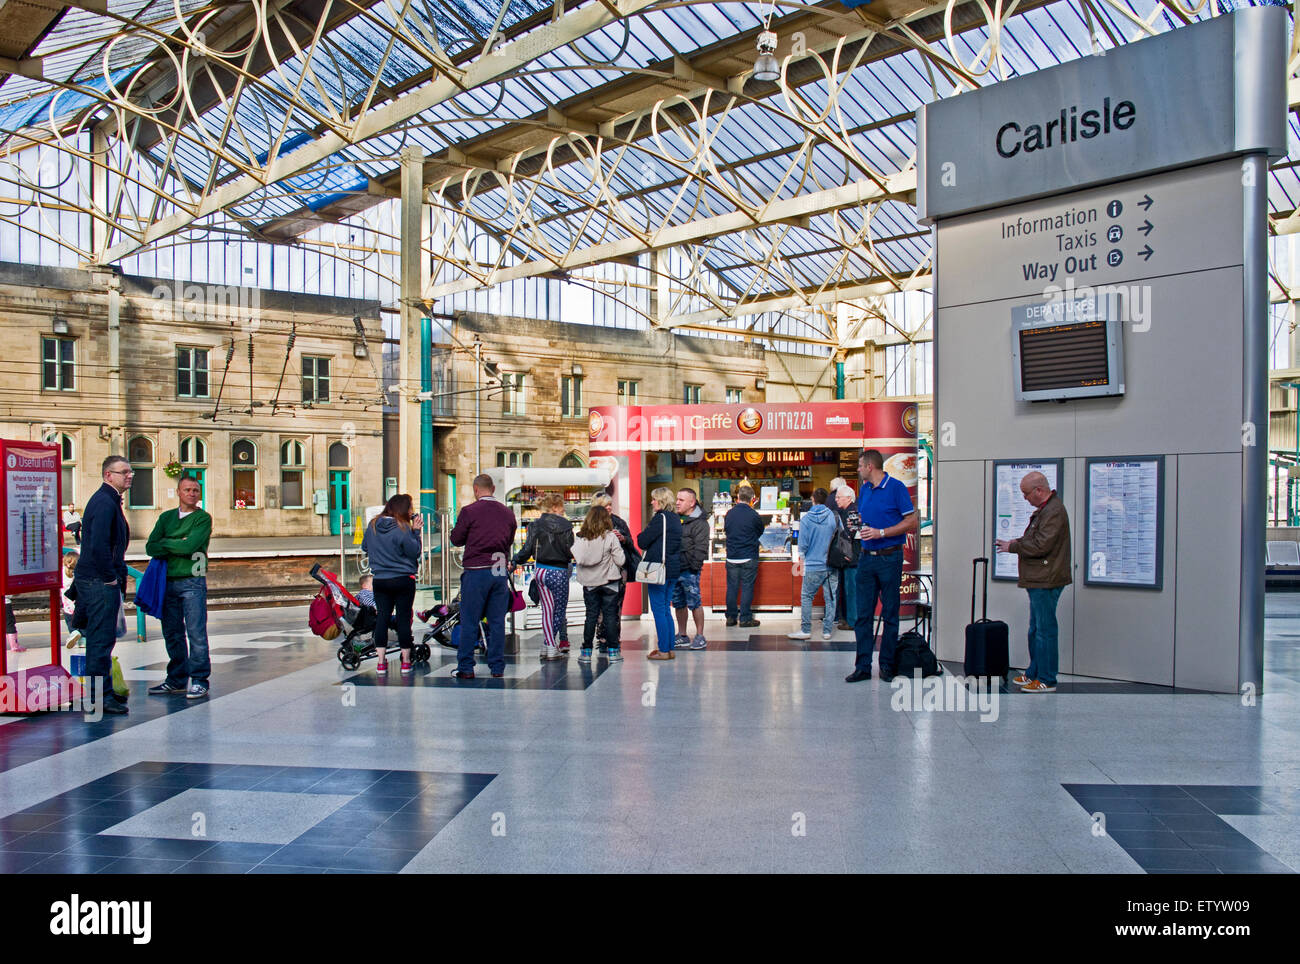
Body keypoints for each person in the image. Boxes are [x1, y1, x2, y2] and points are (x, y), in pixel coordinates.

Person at [995, 471, 1071, 693]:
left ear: (1039, 490)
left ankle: (1046, 679)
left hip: (1046, 580)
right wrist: (1015, 542)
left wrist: (1014, 547)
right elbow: (1035, 540)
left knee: (1045, 630)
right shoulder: (1045, 510)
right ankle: (1034, 672)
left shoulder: (1054, 511)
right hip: (1038, 579)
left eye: (1026, 493)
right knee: (1035, 628)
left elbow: (1041, 545)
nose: (1025, 498)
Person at [848, 449, 919, 684]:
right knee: (863, 615)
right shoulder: (865, 490)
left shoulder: (896, 487)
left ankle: (887, 665)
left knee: (890, 613)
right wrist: (856, 524)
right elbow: (866, 518)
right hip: (867, 558)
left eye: (859, 466)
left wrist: (882, 533)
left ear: (870, 466)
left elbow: (911, 521)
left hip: (890, 558)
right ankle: (863, 666)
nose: (857, 470)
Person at [145, 474, 214, 699]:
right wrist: (179, 541)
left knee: (196, 632)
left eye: (195, 490)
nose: (192, 494)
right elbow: (151, 546)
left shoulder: (203, 519)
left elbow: (192, 546)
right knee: (172, 633)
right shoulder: (166, 518)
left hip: (192, 580)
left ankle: (200, 679)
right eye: (187, 490)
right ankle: (176, 679)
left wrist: (172, 543)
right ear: (178, 492)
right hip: (167, 581)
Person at [74, 455, 133, 715]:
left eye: (131, 472)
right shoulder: (104, 502)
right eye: (124, 472)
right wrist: (110, 577)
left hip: (99, 579)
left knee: (103, 640)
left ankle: (105, 693)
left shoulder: (108, 500)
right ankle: (98, 698)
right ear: (108, 475)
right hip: (99, 581)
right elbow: (98, 545)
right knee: (100, 640)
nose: (129, 476)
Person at [449, 474, 517, 679]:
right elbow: (510, 539)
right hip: (499, 568)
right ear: (493, 488)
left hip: (477, 568)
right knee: (497, 621)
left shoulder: (470, 511)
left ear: (476, 490)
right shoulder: (507, 513)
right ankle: (497, 667)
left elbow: (456, 539)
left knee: (470, 619)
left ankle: (467, 667)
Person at [361, 494, 423, 676]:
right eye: (410, 508)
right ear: (404, 510)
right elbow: (414, 552)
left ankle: (381, 662)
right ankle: (405, 662)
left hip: (380, 580)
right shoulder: (403, 528)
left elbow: (365, 547)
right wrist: (416, 531)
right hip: (403, 579)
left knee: (382, 618)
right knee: (403, 619)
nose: (412, 512)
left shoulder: (372, 525)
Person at [512, 491, 574, 662]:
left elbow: (526, 551)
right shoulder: (566, 525)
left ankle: (548, 646)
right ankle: (549, 646)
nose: (563, 510)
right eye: (562, 506)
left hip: (540, 571)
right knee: (559, 611)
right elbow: (571, 550)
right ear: (555, 507)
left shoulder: (534, 525)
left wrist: (515, 561)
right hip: (558, 571)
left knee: (547, 610)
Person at [571, 504, 625, 663]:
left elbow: (577, 558)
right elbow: (621, 560)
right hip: (609, 582)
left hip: (589, 583)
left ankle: (586, 652)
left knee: (591, 616)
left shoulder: (580, 538)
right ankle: (613, 652)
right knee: (610, 616)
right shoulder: (610, 537)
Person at [788, 488, 840, 641]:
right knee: (830, 597)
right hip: (831, 564)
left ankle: (805, 630)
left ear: (812, 500)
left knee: (806, 596)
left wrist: (802, 557)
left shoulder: (806, 519)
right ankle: (827, 631)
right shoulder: (833, 516)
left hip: (812, 564)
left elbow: (803, 544)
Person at [638, 486, 682, 660]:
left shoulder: (660, 518)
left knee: (658, 610)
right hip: (672, 569)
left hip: (658, 570)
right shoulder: (675, 519)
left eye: (654, 499)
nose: (652, 502)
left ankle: (664, 650)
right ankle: (669, 648)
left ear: (661, 500)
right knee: (666, 609)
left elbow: (643, 541)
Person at [590, 491, 637, 651]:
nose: (609, 508)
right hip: (597, 569)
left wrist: (623, 539)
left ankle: (614, 638)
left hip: (618, 569)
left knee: (616, 605)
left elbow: (631, 543)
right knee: (599, 606)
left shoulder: (619, 522)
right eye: (605, 505)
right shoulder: (591, 523)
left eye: (610, 504)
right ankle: (602, 637)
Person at [724, 485, 765, 628]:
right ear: (752, 499)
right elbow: (760, 531)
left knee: (732, 587)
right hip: (748, 555)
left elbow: (726, 530)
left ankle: (731, 617)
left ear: (737, 498)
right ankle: (746, 618)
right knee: (747, 587)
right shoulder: (754, 514)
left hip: (732, 556)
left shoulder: (729, 513)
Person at [673, 487, 709, 651]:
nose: (677, 502)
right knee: (679, 603)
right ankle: (682, 635)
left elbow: (701, 548)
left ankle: (700, 636)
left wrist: (694, 568)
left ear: (692, 503)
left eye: (681, 500)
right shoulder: (675, 519)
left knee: (695, 602)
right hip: (675, 569)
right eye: (677, 499)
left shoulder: (700, 523)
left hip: (689, 570)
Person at [834, 485, 862, 631]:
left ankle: (852, 621)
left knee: (851, 590)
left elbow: (849, 536)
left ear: (849, 498)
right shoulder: (846, 511)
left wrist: (845, 554)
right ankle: (848, 619)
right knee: (848, 590)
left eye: (839, 497)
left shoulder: (851, 513)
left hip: (852, 559)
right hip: (850, 558)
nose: (836, 499)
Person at [62, 551, 81, 648]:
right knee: (83, 623)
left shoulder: (62, 573)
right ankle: (83, 640)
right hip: (79, 605)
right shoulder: (79, 573)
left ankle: (73, 632)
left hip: (67, 607)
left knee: (70, 622)